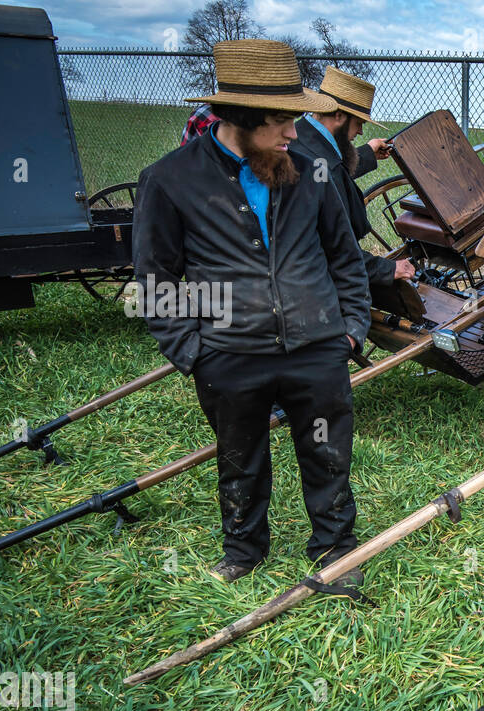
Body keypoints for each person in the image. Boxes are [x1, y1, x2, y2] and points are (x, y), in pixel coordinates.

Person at [132, 39, 373, 586]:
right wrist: (195, 354)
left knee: (327, 452)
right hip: (229, 354)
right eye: (281, 121)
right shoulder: (170, 180)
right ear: (238, 117)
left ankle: (336, 550)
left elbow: (345, 258)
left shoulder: (310, 173)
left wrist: (352, 331)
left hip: (318, 347)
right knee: (239, 458)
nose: (294, 132)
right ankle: (243, 549)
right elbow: (156, 280)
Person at [290, 66, 417, 305]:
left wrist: (367, 152)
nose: (360, 131)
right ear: (338, 116)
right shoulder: (326, 167)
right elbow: (334, 250)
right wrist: (387, 269)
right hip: (317, 290)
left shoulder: (299, 137)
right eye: (358, 122)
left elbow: (327, 172)